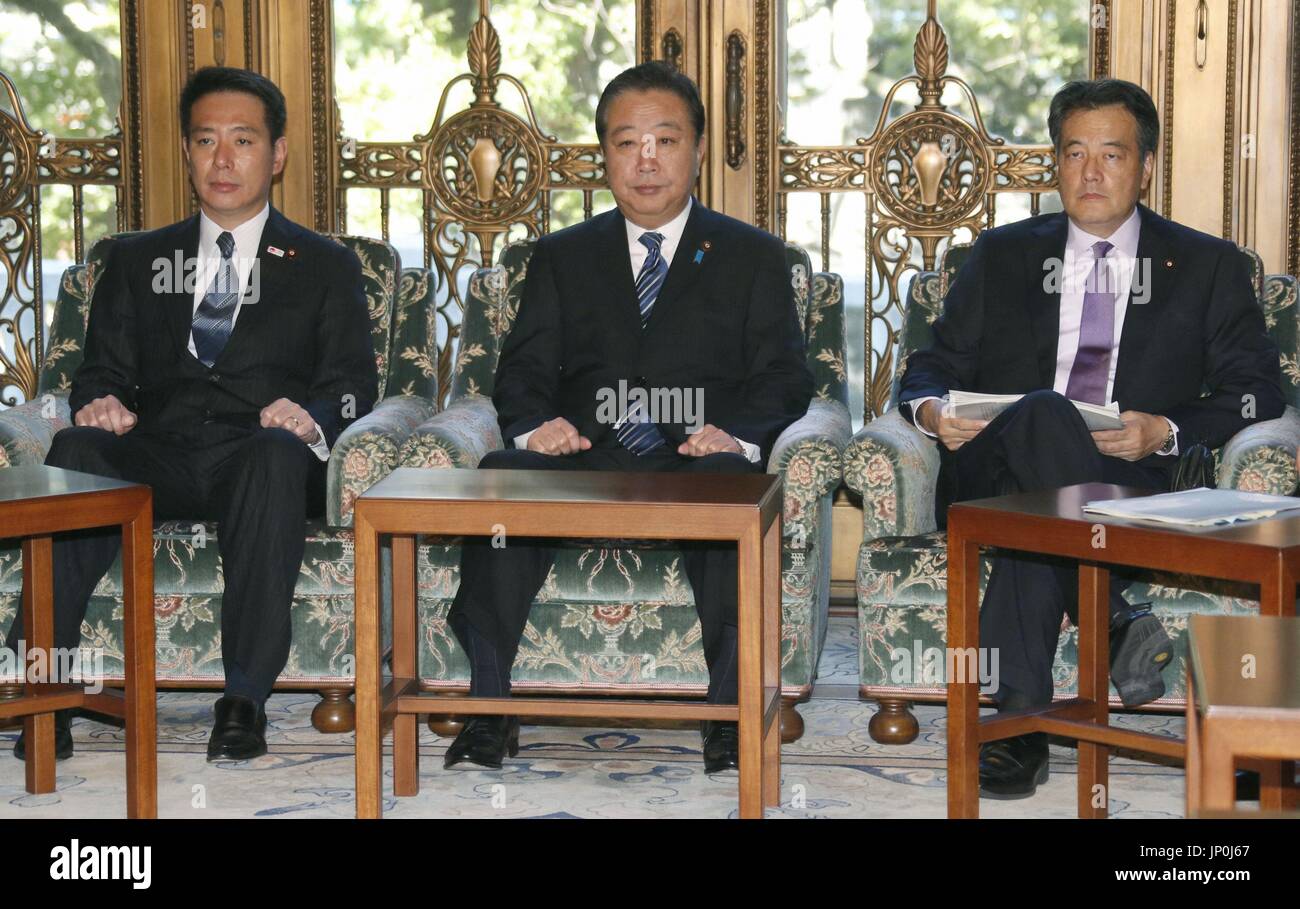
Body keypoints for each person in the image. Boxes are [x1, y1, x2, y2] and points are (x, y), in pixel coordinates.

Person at [897, 78, 1283, 799]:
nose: (1092, 173)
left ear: (1145, 167)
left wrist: (1162, 429)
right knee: (1046, 413)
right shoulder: (1002, 255)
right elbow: (926, 369)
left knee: (1032, 523)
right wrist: (931, 415)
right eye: (1074, 154)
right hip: (991, 467)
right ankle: (1117, 621)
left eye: (1112, 154)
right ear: (1055, 164)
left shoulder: (1206, 267)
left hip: (1123, 482)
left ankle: (1017, 729)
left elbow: (1259, 392)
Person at [443, 61, 814, 774]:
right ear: (604, 154)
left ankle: (727, 715)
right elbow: (519, 373)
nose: (646, 160)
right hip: (582, 457)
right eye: (626, 143)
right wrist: (534, 429)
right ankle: (490, 708)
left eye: (665, 140)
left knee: (733, 488)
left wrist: (731, 434)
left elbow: (785, 378)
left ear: (697, 149)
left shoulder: (755, 258)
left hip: (695, 457)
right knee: (500, 477)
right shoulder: (560, 256)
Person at [3, 66, 377, 762]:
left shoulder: (326, 265)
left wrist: (311, 414)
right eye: (207, 141)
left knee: (273, 456)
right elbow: (99, 371)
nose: (224, 159)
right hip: (163, 452)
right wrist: (102, 401)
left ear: (278, 153)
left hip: (258, 453)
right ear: (187, 152)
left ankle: (242, 700)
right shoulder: (137, 259)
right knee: (77, 450)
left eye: (243, 140)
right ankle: (44, 690)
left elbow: (355, 385)